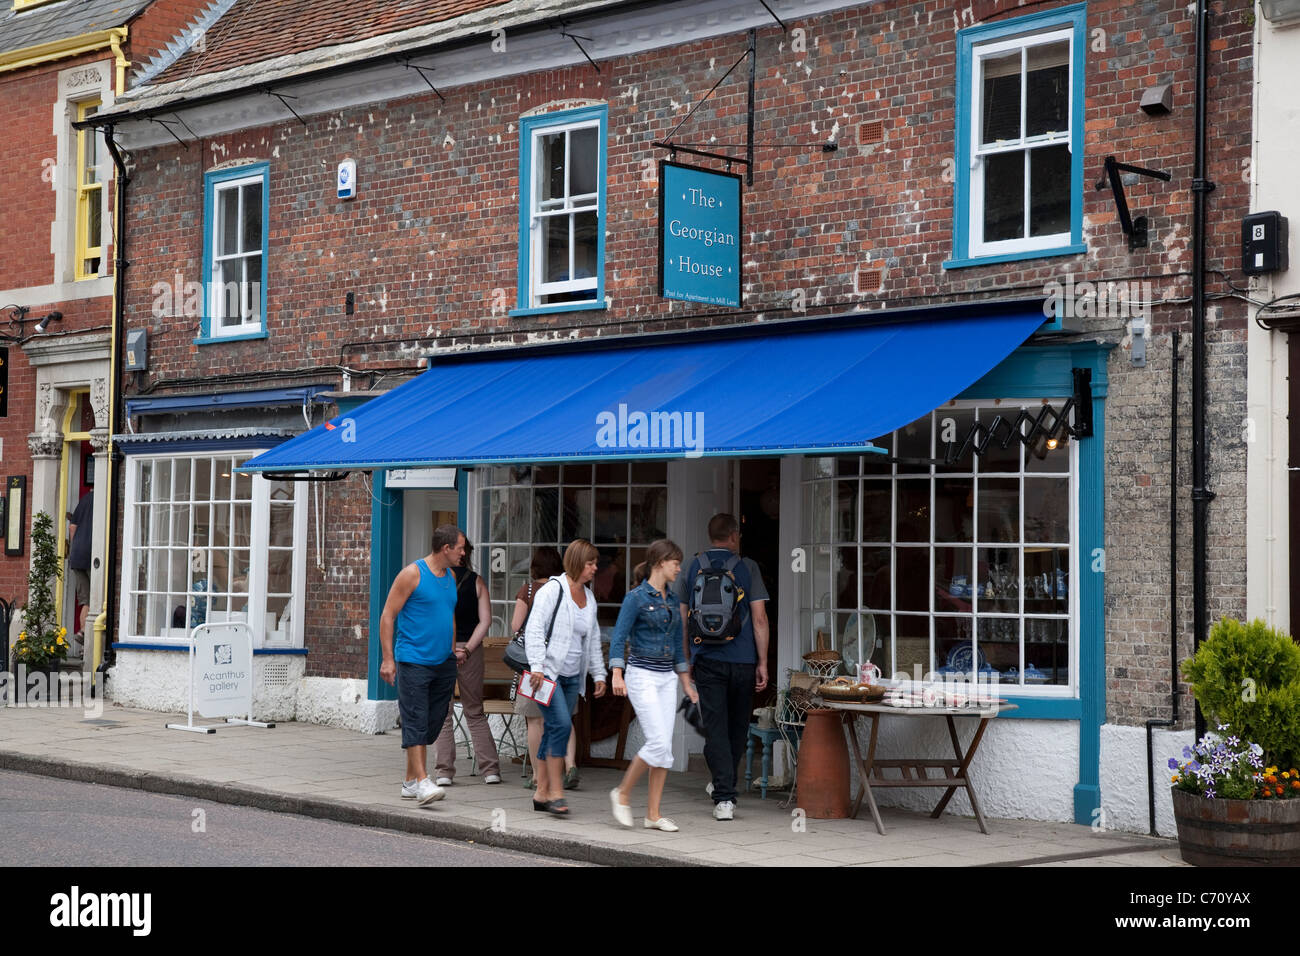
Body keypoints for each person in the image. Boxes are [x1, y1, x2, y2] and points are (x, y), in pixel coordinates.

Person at [677, 513, 769, 821]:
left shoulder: (691, 566)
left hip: (708, 660)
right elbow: (759, 619)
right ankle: (725, 789)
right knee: (738, 729)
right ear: (732, 536)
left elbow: (683, 620)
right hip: (743, 661)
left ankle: (723, 795)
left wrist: (687, 660)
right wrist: (763, 662)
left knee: (715, 728)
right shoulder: (748, 567)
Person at [609, 539, 698, 832]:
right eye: (675, 562)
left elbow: (676, 643)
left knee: (664, 748)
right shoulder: (635, 598)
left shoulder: (672, 600)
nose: (679, 568)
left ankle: (653, 814)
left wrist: (686, 682)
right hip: (642, 676)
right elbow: (619, 637)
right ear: (660, 562)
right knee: (658, 742)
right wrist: (617, 673)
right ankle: (622, 793)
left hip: (666, 678)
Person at [379, 524, 466, 808]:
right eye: (460, 548)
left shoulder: (451, 577)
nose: (463, 553)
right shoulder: (412, 574)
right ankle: (423, 781)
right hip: (413, 660)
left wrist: (452, 651)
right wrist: (388, 659)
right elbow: (388, 616)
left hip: (443, 662)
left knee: (431, 723)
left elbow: (448, 615)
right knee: (415, 720)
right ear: (446, 548)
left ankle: (409, 782)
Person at [525, 538, 607, 816]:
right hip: (548, 674)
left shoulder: (589, 597)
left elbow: (592, 639)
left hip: (573, 677)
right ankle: (556, 793)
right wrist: (536, 665)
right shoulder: (552, 590)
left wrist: (599, 674)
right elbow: (534, 629)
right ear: (576, 562)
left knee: (554, 728)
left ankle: (540, 792)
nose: (595, 567)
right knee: (560, 724)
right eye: (590, 563)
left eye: (596, 563)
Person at [510, 547, 581, 789]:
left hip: (536, 665)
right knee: (565, 719)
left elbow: (516, 625)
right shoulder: (570, 591)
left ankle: (538, 775)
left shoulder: (529, 590)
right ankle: (569, 766)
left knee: (535, 720)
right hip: (564, 663)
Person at [433, 540, 501, 786]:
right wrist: (468, 649)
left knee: (443, 712)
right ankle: (490, 770)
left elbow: (435, 617)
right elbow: (486, 621)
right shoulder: (477, 581)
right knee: (475, 711)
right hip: (471, 651)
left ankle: (444, 773)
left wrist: (451, 649)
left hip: (442, 650)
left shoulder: (437, 580)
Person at [67, 492, 94, 641]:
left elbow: (72, 527)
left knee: (85, 600)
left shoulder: (84, 500)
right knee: (96, 600)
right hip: (94, 555)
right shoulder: (106, 498)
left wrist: (74, 548)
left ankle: (83, 634)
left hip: (77, 556)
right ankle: (86, 636)